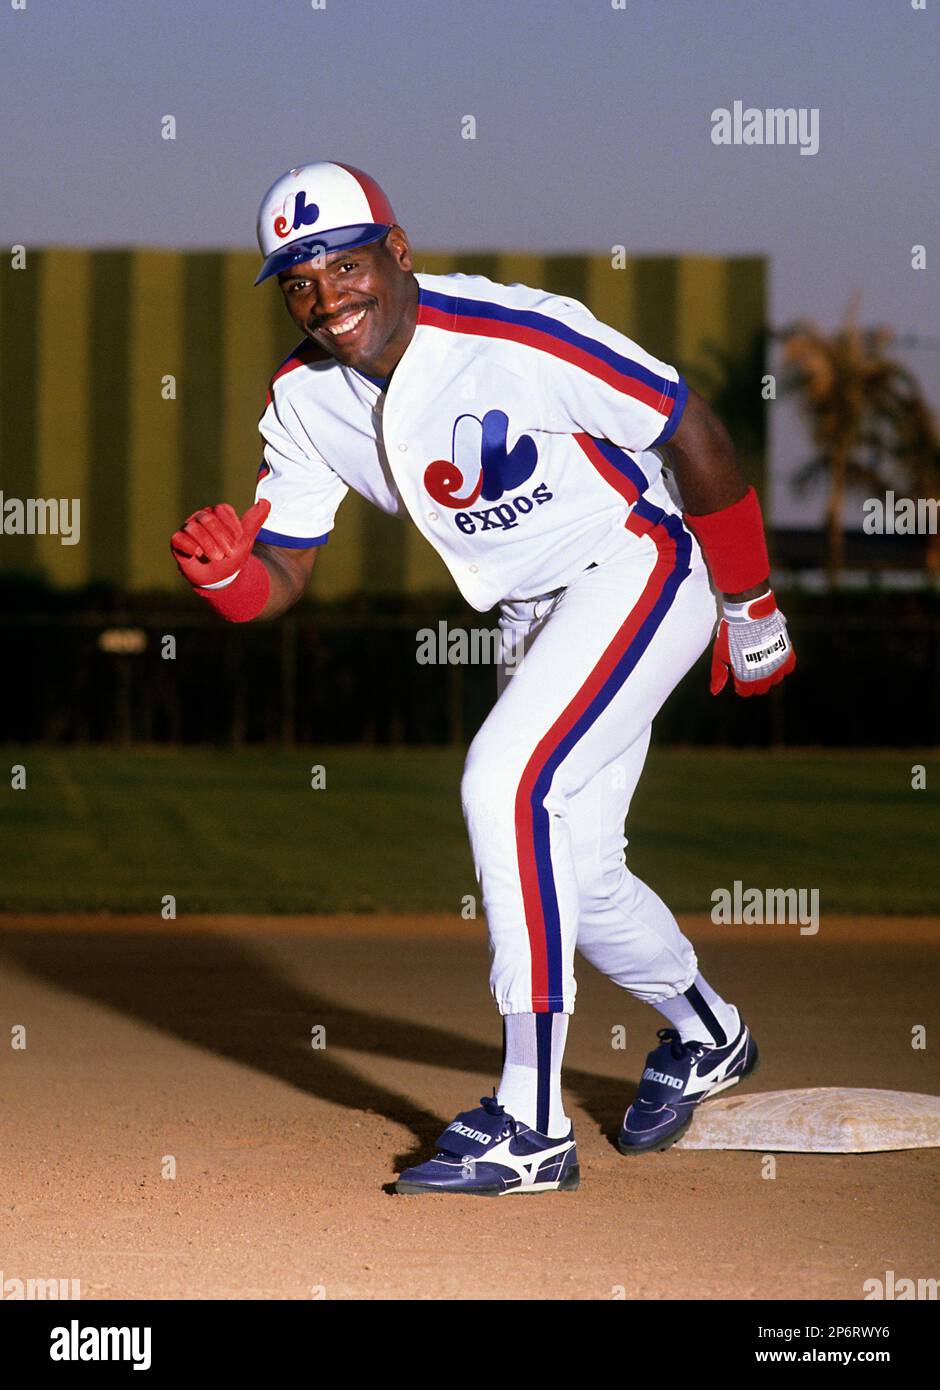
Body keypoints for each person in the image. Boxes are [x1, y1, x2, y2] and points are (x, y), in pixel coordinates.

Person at [170, 162, 795, 1197]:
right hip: (533, 618)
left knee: (504, 782)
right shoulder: (304, 398)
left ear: (398, 250)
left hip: (636, 562)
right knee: (581, 879)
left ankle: (530, 1121)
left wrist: (752, 607)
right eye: (298, 280)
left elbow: (694, 431)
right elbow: (284, 567)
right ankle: (707, 1034)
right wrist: (233, 579)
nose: (327, 297)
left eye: (345, 264)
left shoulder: (516, 332)